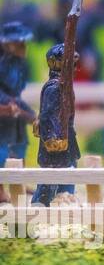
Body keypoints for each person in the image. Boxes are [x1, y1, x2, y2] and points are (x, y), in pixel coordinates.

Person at [33, 43, 79, 207]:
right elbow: (47, 116)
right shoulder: (54, 88)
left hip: (67, 140)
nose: (72, 66)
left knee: (69, 174)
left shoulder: (64, 85)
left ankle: (67, 206)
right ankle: (37, 209)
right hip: (55, 143)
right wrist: (52, 139)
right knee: (49, 180)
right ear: (53, 62)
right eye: (66, 61)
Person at [0, 22, 33, 173]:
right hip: (5, 111)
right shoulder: (3, 65)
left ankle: (21, 182)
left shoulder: (21, 65)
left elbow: (18, 91)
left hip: (16, 111)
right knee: (3, 148)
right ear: (7, 45)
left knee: (20, 145)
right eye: (18, 44)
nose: (23, 46)